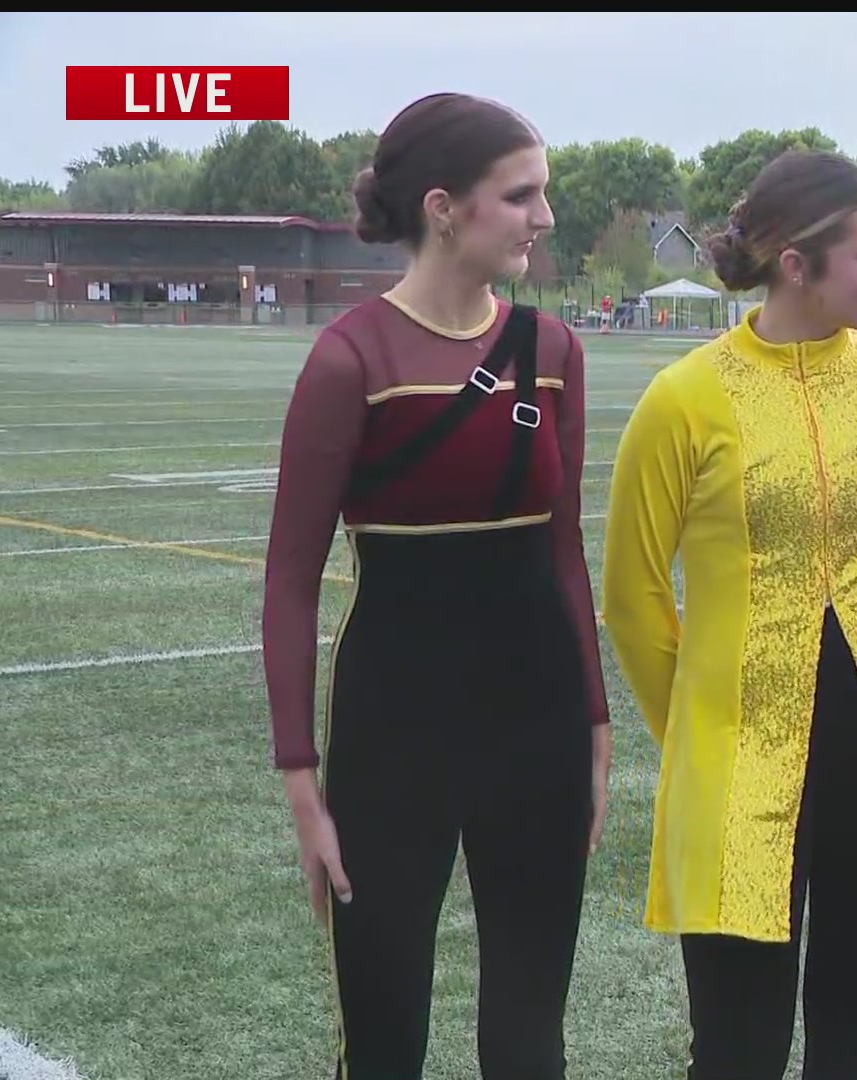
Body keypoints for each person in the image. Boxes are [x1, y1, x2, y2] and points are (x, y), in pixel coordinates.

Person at [261, 91, 612, 1079]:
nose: (544, 217)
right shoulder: (352, 358)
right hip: (393, 735)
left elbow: (564, 552)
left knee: (527, 1039)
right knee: (383, 1042)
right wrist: (301, 781)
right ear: (443, 206)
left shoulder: (553, 352)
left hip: (537, 725)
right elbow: (291, 579)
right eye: (522, 195)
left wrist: (593, 725)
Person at [599, 148, 857, 1080]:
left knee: (854, 1042)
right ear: (795, 264)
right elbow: (634, 595)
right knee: (735, 1049)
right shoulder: (683, 398)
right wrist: (695, 728)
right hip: (731, 768)